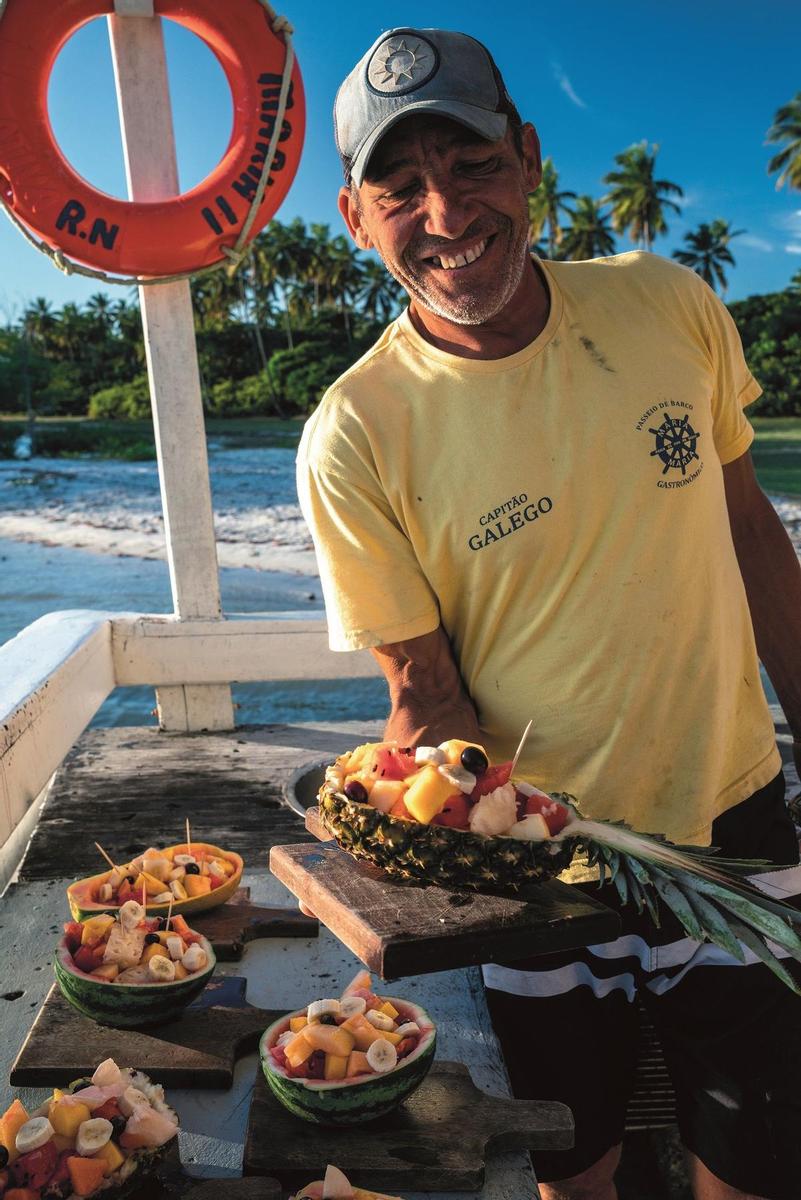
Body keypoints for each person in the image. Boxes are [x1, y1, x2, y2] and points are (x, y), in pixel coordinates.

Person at [296, 26, 801, 1200]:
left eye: (470, 164)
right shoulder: (355, 431)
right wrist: (428, 865)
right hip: (540, 870)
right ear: (355, 218)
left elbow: (754, 541)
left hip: (737, 821)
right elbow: (425, 694)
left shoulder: (670, 306)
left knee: (763, 1158)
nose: (445, 212)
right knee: (574, 1168)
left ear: (527, 159)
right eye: (400, 186)